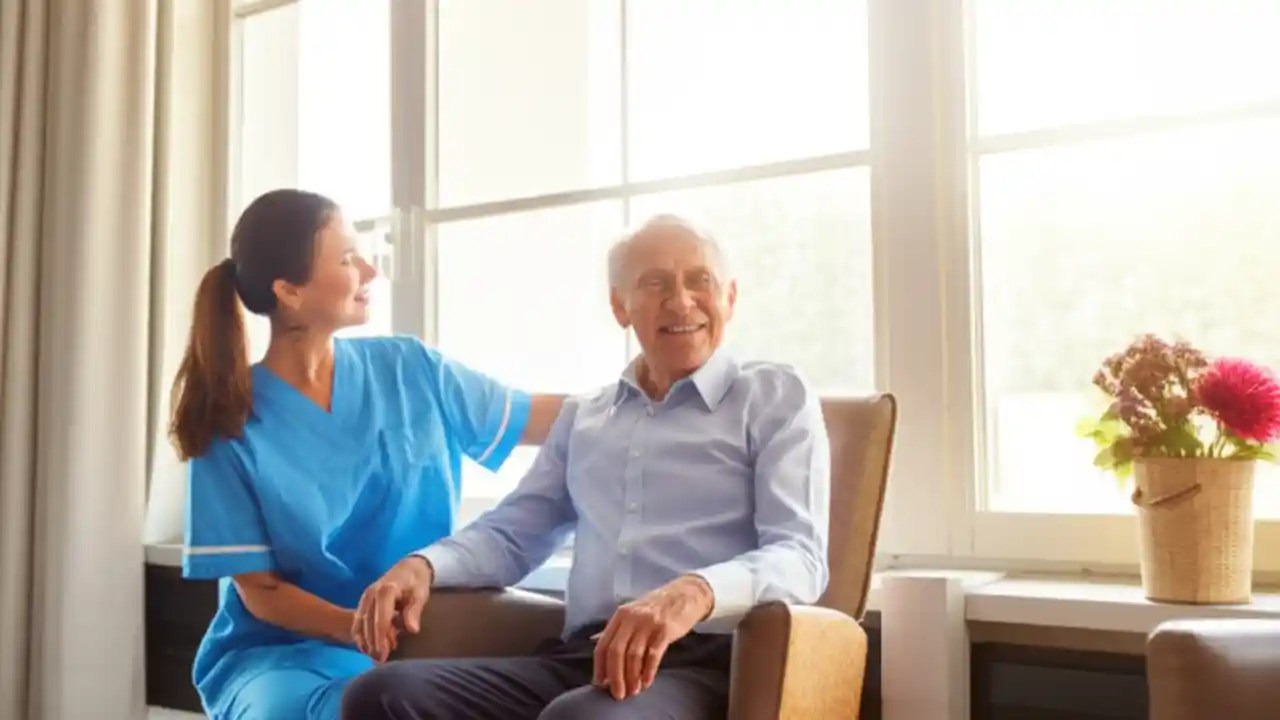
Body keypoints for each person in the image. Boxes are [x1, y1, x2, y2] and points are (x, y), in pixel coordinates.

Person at [342, 214, 831, 720]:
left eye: (699, 282)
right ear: (621, 305)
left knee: (582, 718)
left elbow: (800, 557)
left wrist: (695, 592)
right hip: (582, 656)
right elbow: (513, 534)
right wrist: (422, 565)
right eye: (656, 284)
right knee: (380, 695)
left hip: (704, 664)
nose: (682, 301)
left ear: (729, 297)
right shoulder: (586, 416)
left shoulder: (775, 397)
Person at [171, 189, 561, 720]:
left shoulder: (413, 370)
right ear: (289, 290)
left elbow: (540, 418)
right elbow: (263, 594)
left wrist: (650, 392)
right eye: (348, 258)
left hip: (418, 648)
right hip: (283, 657)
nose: (370, 271)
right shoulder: (227, 421)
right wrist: (362, 630)